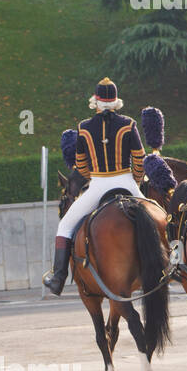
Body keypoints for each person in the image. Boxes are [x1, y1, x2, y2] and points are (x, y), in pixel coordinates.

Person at [43, 79, 146, 294]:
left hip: (98, 184)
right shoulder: (129, 124)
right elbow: (139, 159)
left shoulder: (84, 127)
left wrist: (96, 176)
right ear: (116, 102)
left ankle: (58, 278)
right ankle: (175, 266)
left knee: (65, 226)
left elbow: (81, 166)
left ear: (95, 102)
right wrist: (136, 180)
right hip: (127, 181)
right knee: (159, 215)